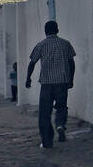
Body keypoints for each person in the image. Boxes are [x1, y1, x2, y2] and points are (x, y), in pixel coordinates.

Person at [25, 20, 76, 148]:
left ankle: (47, 141)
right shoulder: (65, 44)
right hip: (62, 81)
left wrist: (28, 78)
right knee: (61, 106)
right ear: (57, 30)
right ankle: (60, 125)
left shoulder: (41, 45)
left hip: (46, 83)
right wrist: (71, 79)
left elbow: (32, 63)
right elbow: (71, 63)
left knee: (44, 112)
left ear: (45, 31)